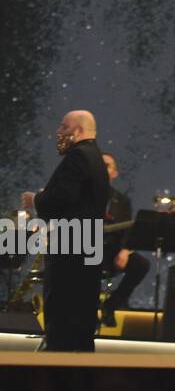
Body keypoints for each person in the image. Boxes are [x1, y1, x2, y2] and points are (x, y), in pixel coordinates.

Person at [21, 110, 111, 352]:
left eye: (63, 126)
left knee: (61, 315)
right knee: (81, 320)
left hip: (69, 250)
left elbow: (62, 197)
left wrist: (37, 199)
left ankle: (56, 376)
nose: (59, 132)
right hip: (89, 249)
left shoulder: (78, 156)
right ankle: (79, 377)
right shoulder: (97, 159)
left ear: (79, 131)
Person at [98, 153, 150, 328]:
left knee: (141, 265)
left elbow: (127, 230)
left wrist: (125, 251)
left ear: (115, 173)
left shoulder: (122, 201)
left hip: (111, 251)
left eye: (108, 166)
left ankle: (110, 305)